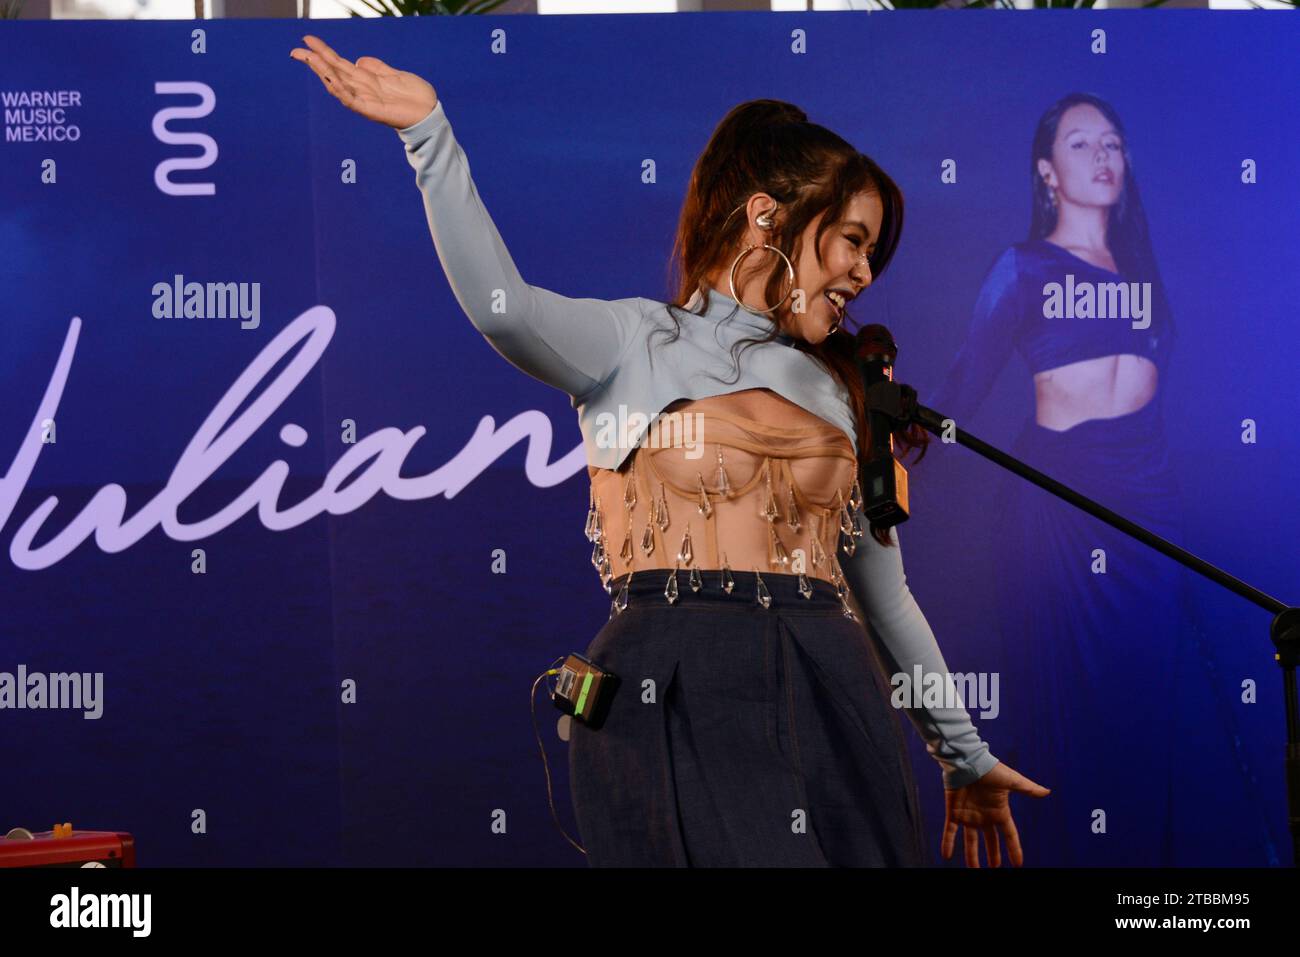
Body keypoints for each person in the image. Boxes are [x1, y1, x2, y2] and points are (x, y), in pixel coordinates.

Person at [291, 34, 1049, 867]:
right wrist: (430, 135)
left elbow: (886, 596)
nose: (865, 271)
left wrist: (962, 754)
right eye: (852, 239)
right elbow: (504, 309)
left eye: (873, 251)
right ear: (768, 216)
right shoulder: (633, 340)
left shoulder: (842, 390)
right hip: (677, 684)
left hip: (835, 685)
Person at [930, 93, 1267, 865]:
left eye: (1113, 142)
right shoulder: (1022, 267)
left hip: (1148, 509)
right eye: (1082, 145)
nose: (1103, 156)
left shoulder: (1143, 262)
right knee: (1063, 714)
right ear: (1047, 172)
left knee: (1148, 714)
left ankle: (1143, 892)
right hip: (1058, 508)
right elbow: (959, 389)